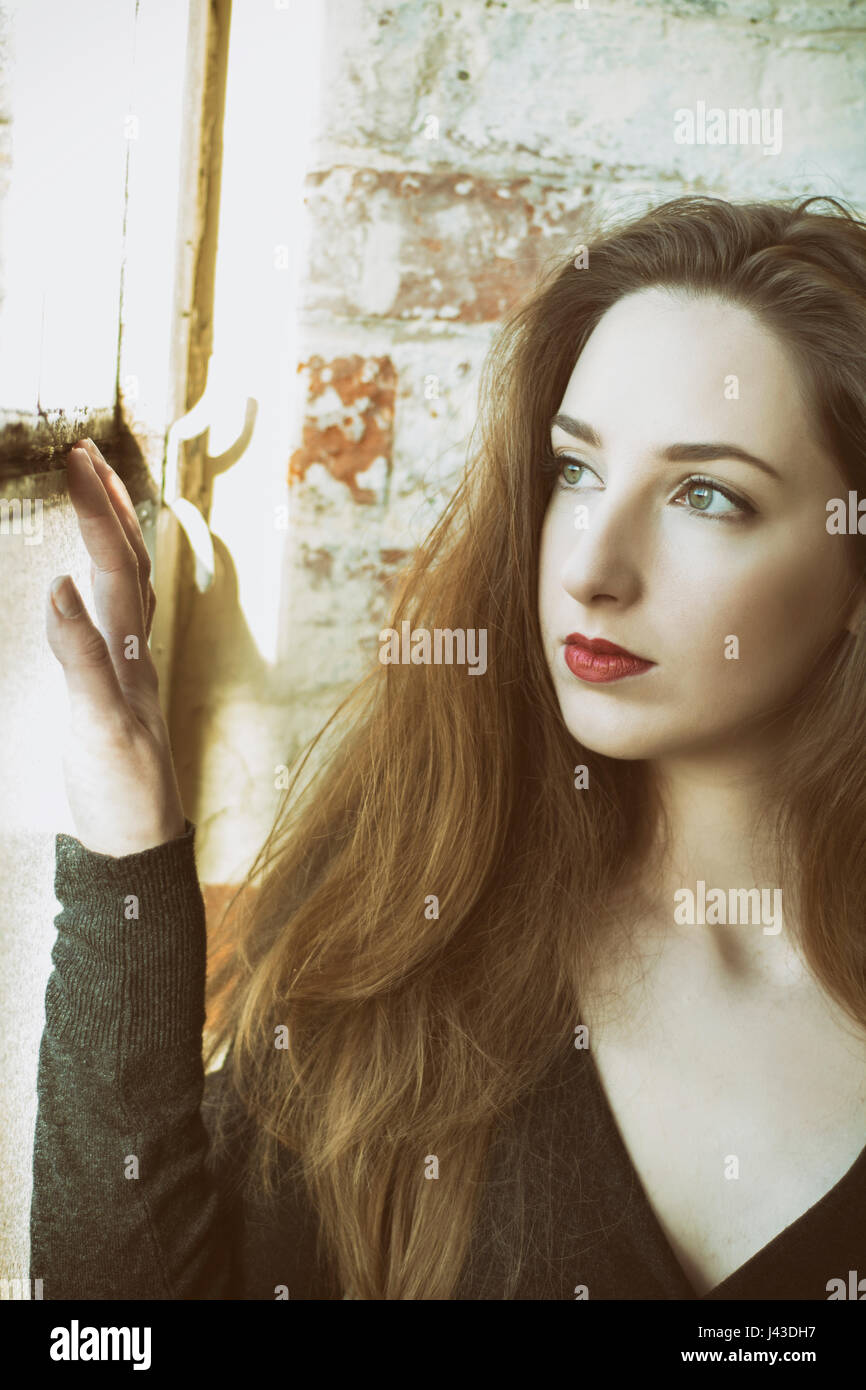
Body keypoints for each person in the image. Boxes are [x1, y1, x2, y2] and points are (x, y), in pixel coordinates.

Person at [31, 194, 866, 1301]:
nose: (589, 567)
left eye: (704, 493)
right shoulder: (417, 911)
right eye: (574, 470)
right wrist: (127, 835)